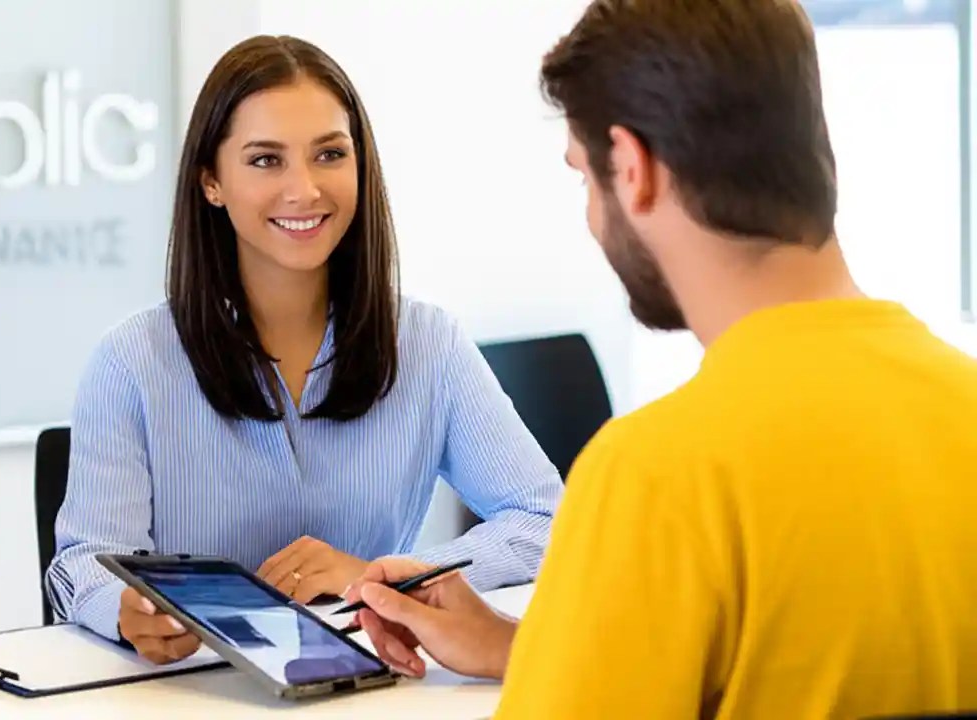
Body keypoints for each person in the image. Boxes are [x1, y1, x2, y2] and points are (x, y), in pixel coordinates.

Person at [345, 1, 977, 717]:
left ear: (634, 168)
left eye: (585, 176)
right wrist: (526, 646)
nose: (590, 213)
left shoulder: (657, 477)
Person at [44, 35, 564, 664]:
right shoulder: (132, 362)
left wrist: (382, 577)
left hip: (372, 690)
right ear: (212, 181)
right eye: (266, 160)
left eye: (329, 154)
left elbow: (545, 522)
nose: (305, 189)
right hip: (193, 695)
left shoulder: (429, 345)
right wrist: (126, 612)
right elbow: (84, 564)